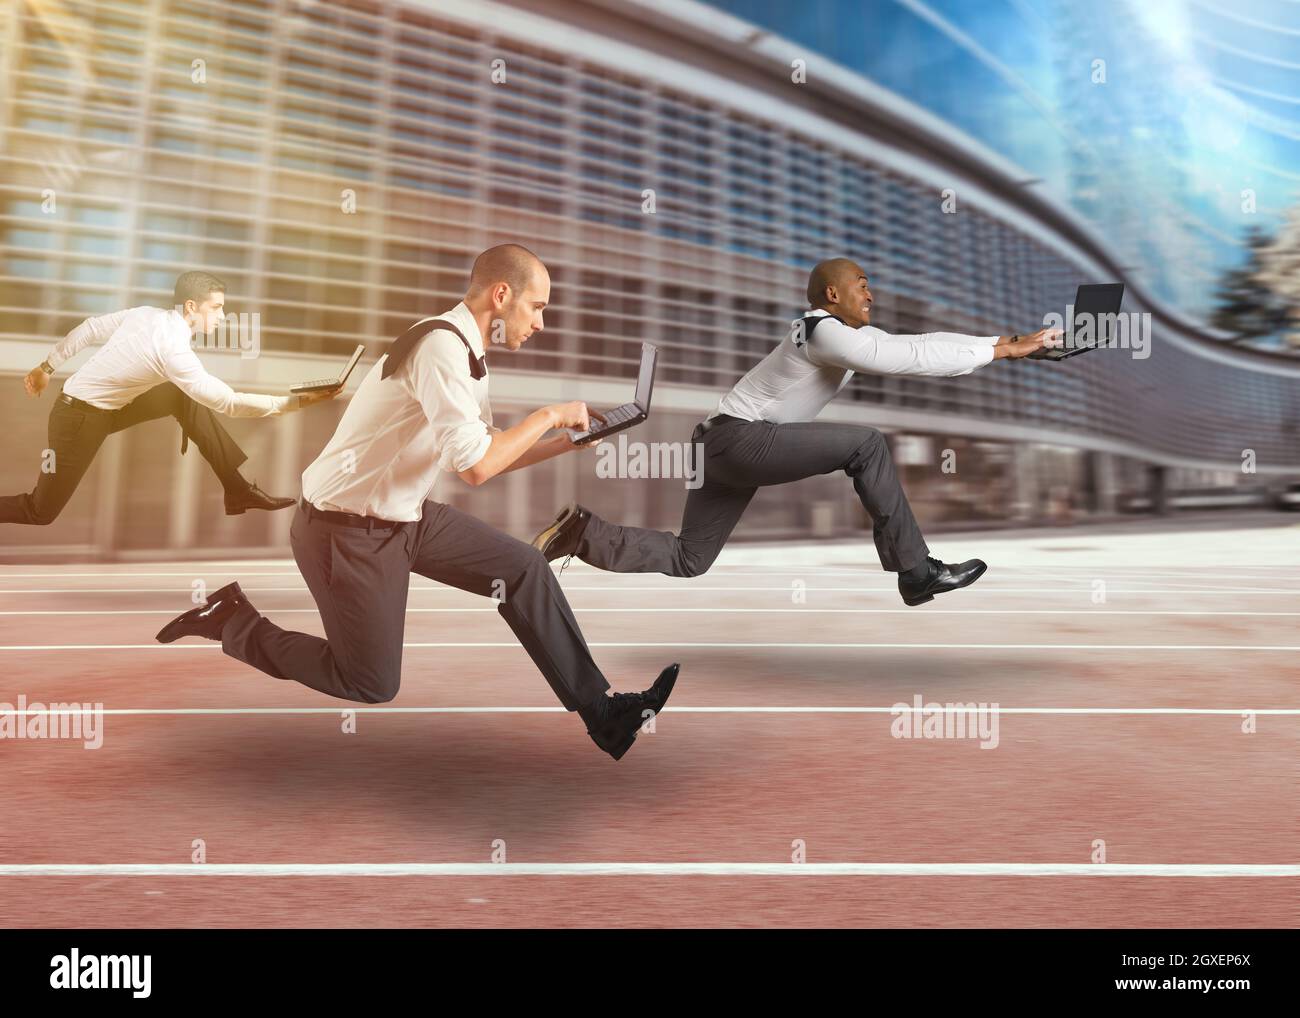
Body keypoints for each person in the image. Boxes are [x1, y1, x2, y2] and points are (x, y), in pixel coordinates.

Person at [156, 245, 678, 761]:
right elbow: (477, 469)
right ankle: (232, 622)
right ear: (502, 295)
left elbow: (485, 452)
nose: (541, 322)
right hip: (345, 531)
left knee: (524, 569)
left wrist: (568, 440)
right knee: (369, 682)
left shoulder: (469, 356)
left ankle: (603, 717)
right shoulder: (440, 349)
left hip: (405, 516)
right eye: (538, 306)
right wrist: (547, 416)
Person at [532, 257, 1061, 606]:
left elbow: (918, 341)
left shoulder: (831, 333)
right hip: (739, 440)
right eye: (863, 284)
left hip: (717, 443)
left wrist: (1010, 342)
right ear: (833, 292)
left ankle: (582, 534)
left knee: (690, 558)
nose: (871, 294)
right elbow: (909, 356)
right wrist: (1006, 349)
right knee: (866, 444)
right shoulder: (824, 330)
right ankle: (916, 571)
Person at [2, 271, 335, 525]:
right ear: (191, 307)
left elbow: (91, 327)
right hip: (78, 419)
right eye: (216, 308)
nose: (221, 317)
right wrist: (297, 403)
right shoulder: (172, 350)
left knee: (181, 396)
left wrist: (48, 365)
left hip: (103, 409)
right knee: (40, 511)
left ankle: (237, 490)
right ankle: (238, 491)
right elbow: (228, 403)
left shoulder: (147, 314)